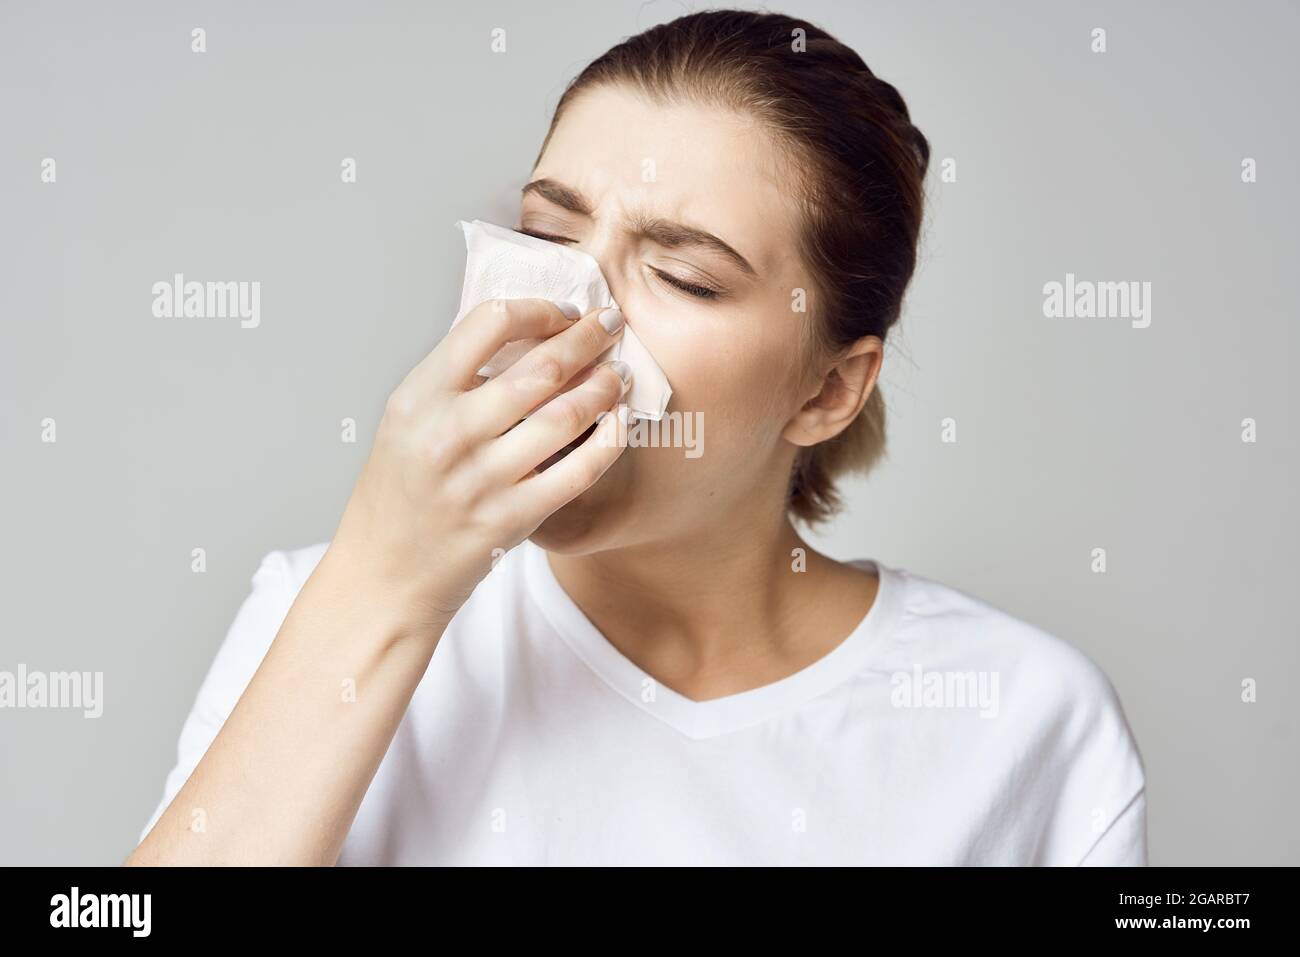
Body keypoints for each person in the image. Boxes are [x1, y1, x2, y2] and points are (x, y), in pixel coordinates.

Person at [129, 9, 1146, 866]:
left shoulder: (1020, 721)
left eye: (683, 277)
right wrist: (382, 588)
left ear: (829, 391)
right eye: (546, 233)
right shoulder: (320, 614)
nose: (576, 314)